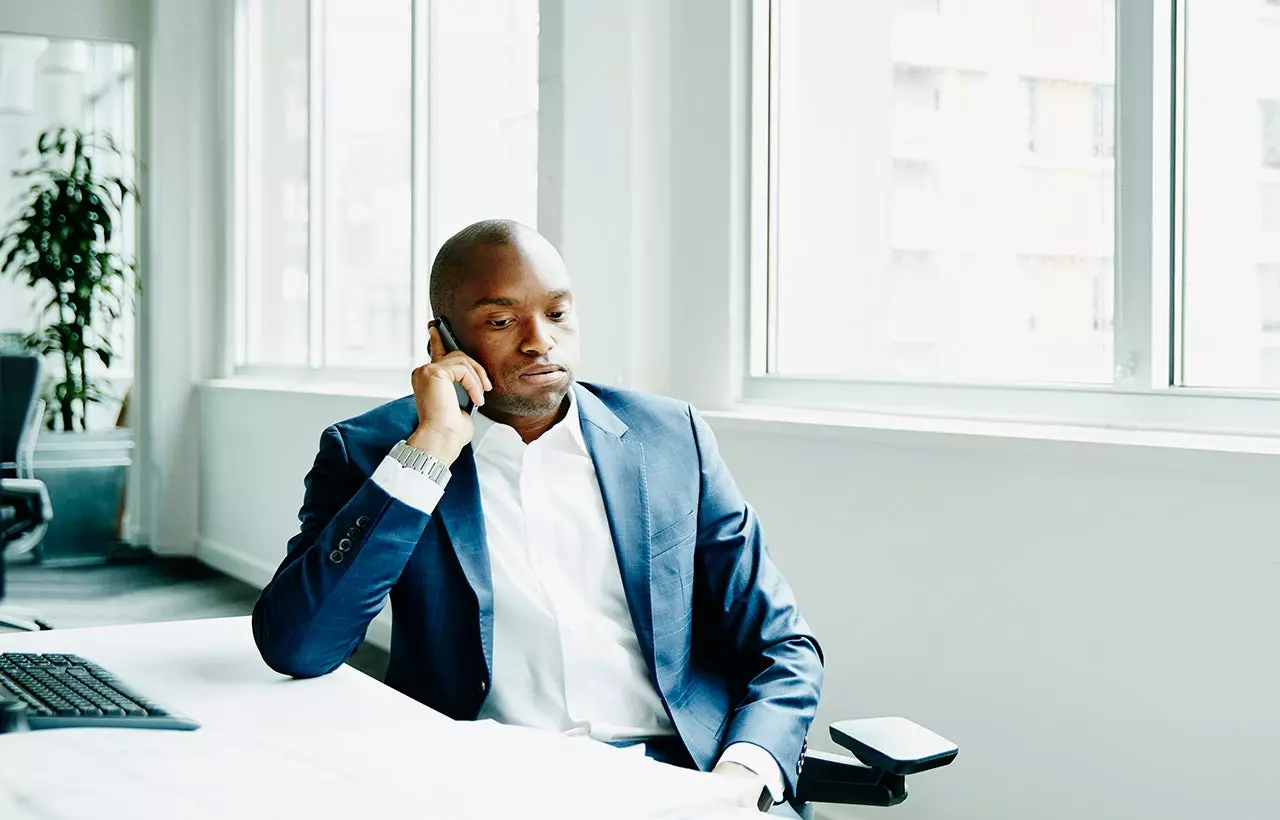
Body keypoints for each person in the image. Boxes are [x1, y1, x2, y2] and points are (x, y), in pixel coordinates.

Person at [251, 219, 824, 813]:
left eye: (557, 313)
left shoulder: (670, 438)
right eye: (501, 321)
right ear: (443, 341)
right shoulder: (373, 452)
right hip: (484, 784)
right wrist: (432, 450)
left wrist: (737, 778)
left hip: (678, 779)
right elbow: (299, 646)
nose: (539, 341)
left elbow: (781, 645)